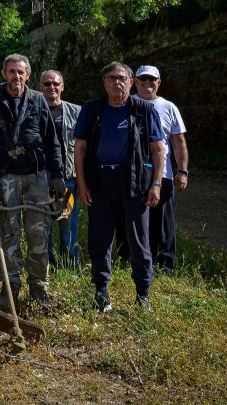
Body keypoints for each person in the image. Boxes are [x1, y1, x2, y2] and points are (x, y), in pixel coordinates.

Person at [74, 62, 165, 313]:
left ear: (131, 81)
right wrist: (82, 183)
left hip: (134, 182)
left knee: (139, 241)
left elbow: (158, 149)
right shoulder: (92, 110)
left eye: (122, 78)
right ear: (104, 81)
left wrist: (156, 184)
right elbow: (80, 149)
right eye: (111, 78)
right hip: (100, 182)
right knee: (99, 240)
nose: (117, 82)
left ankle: (143, 295)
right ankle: (101, 292)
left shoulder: (144, 110)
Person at [0, 54, 63, 309]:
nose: (16, 77)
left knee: (38, 236)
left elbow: (51, 141)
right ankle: (10, 287)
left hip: (36, 177)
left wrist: (56, 176)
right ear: (3, 74)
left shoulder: (37, 100)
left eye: (21, 72)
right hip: (5, 178)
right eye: (11, 71)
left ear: (28, 74)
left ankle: (39, 288)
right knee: (8, 235)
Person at [133, 65, 189, 274]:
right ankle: (135, 260)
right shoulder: (126, 104)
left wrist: (182, 171)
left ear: (159, 83)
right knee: (136, 220)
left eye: (151, 80)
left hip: (162, 174)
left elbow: (178, 141)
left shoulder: (168, 107)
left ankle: (165, 265)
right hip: (134, 174)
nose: (147, 83)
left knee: (164, 222)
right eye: (143, 79)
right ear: (135, 82)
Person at [39, 70, 81, 267]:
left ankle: (69, 265)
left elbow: (84, 147)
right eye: (47, 84)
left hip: (68, 176)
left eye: (55, 83)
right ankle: (46, 262)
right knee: (42, 222)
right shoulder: (33, 110)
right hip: (41, 176)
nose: (51, 87)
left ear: (62, 86)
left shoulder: (76, 112)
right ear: (40, 87)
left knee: (68, 223)